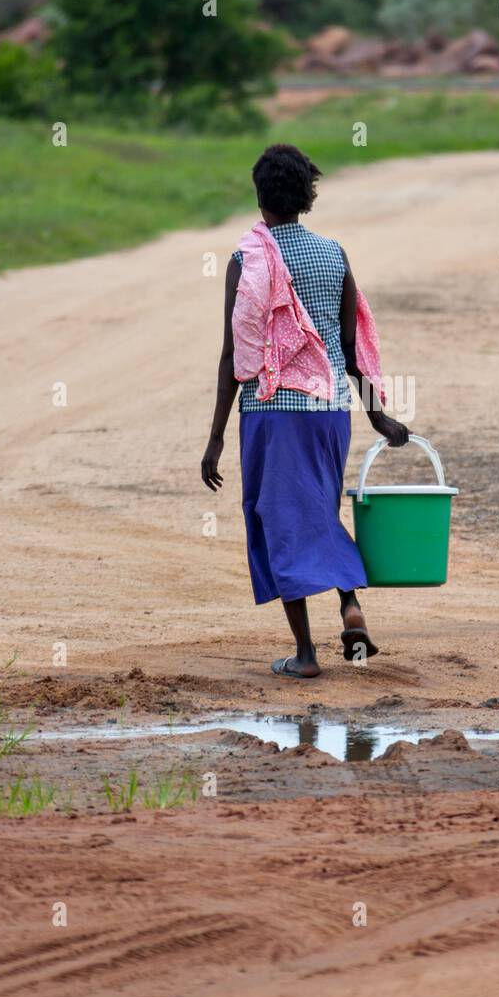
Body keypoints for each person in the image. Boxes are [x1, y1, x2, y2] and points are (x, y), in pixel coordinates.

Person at [201, 144, 408, 678]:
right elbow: (349, 347)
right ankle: (350, 605)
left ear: (258, 194)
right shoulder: (334, 254)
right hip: (330, 411)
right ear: (308, 196)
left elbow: (235, 355)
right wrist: (378, 418)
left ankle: (307, 654)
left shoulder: (246, 261)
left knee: (278, 522)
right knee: (318, 509)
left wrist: (217, 437)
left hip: (272, 413)